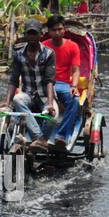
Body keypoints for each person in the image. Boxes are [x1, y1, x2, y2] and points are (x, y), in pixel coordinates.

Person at [3, 20, 58, 150]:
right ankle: (39, 138)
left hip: (45, 95)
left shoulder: (49, 53)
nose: (32, 37)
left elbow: (50, 80)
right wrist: (7, 101)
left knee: (53, 116)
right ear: (25, 36)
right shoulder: (18, 55)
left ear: (41, 35)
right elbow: (13, 80)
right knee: (17, 99)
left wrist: (50, 103)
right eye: (30, 34)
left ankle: (42, 139)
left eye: (35, 34)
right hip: (28, 94)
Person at [45, 14, 82, 151]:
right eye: (53, 30)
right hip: (45, 83)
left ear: (64, 29)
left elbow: (76, 70)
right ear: (49, 31)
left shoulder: (73, 46)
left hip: (62, 84)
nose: (57, 32)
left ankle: (61, 135)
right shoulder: (43, 46)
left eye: (59, 29)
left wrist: (74, 86)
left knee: (74, 100)